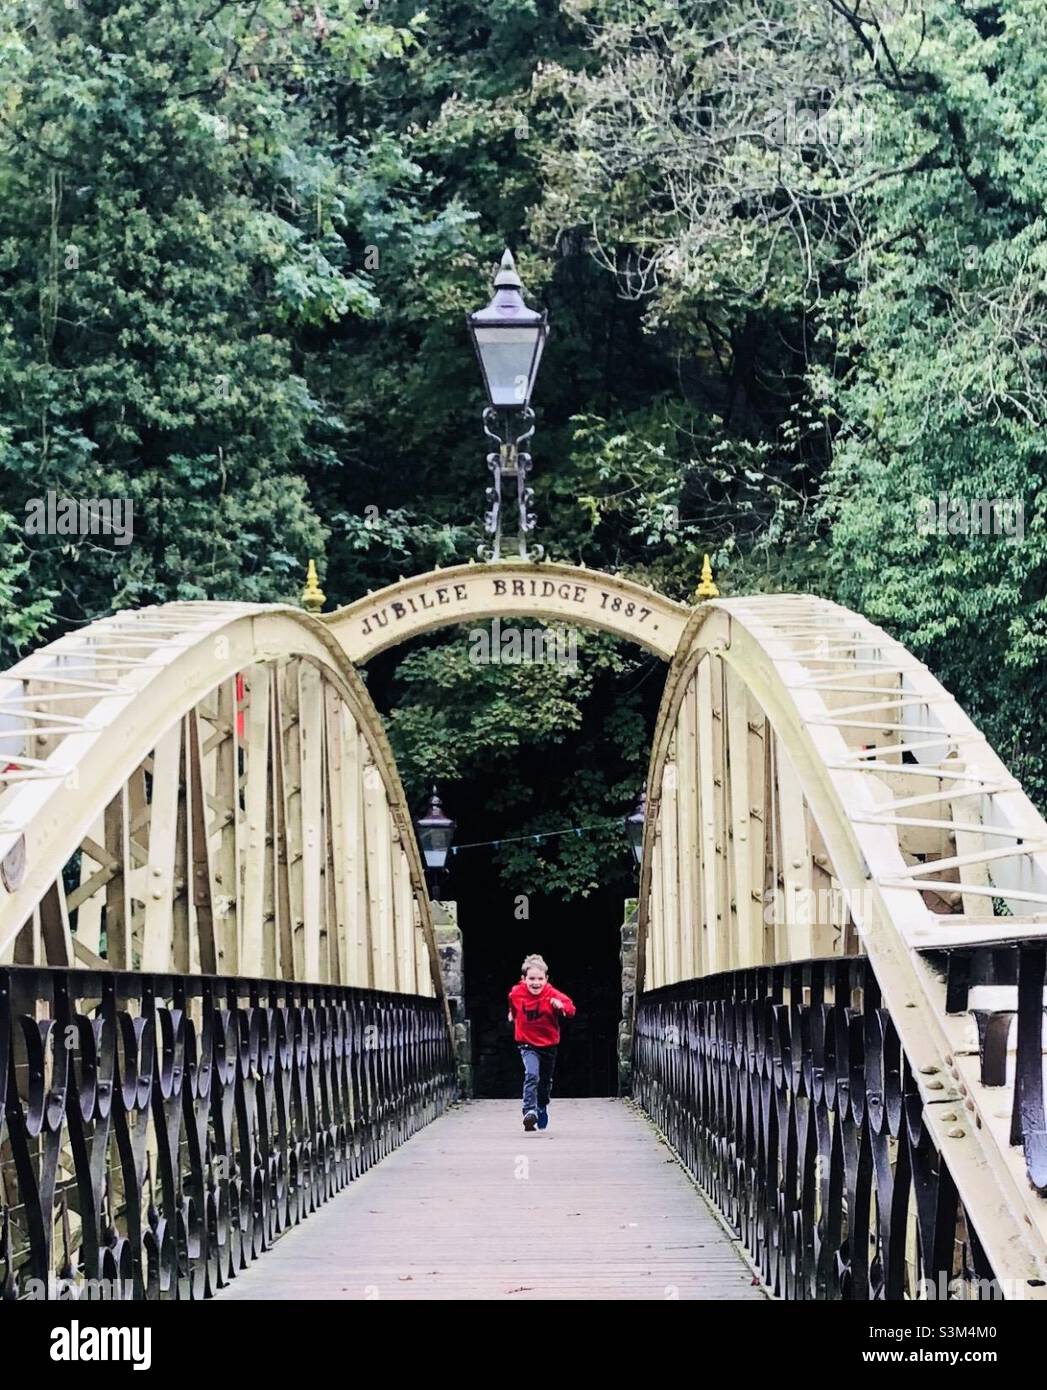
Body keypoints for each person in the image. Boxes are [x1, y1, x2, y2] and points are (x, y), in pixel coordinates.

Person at [507, 953, 576, 1131]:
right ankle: (529, 1111)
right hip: (527, 1043)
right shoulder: (516, 992)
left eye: (540, 979)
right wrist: (512, 1015)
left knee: (544, 1082)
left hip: (549, 1044)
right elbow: (513, 1005)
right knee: (532, 1074)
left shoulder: (551, 993)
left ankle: (541, 1106)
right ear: (523, 979)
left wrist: (561, 1008)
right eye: (531, 979)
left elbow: (571, 1009)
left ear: (546, 979)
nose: (536, 983)